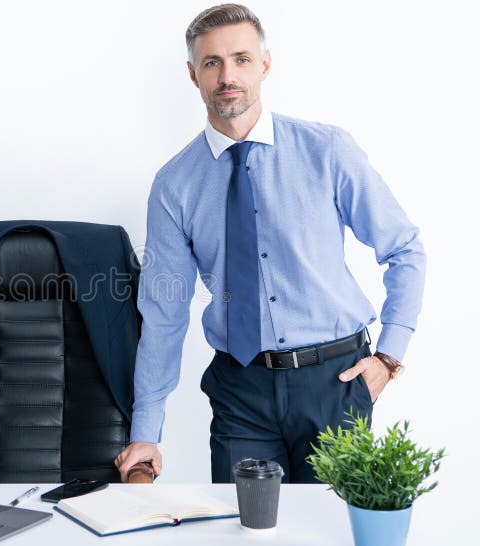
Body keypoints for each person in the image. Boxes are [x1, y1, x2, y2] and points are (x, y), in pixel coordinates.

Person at [114, 3, 425, 484]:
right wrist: (146, 431)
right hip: (241, 393)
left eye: (240, 58)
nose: (227, 76)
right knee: (243, 530)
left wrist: (389, 357)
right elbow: (164, 310)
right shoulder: (175, 185)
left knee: (330, 530)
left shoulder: (327, 151)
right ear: (192, 74)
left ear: (264, 64)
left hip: (335, 383)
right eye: (212, 62)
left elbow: (404, 248)